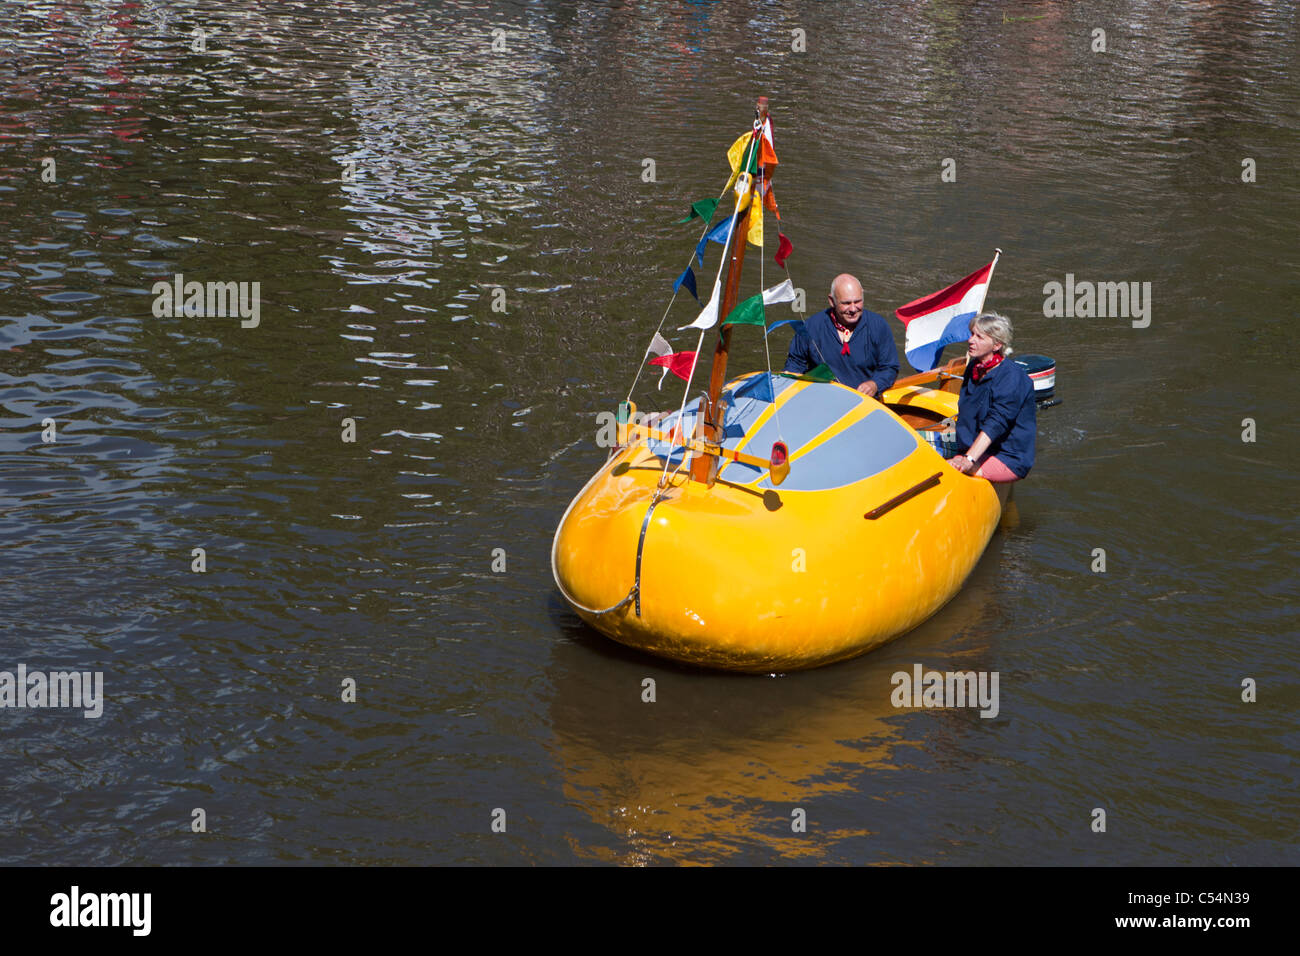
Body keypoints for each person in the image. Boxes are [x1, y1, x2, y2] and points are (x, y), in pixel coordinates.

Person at [949, 312, 1036, 482]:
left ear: (997, 345)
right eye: (972, 334)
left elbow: (995, 424)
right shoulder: (974, 366)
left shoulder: (1012, 378)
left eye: (979, 337)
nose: (971, 340)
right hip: (969, 447)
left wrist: (968, 460)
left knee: (950, 471)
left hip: (1007, 457)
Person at [784, 274, 899, 398]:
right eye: (846, 303)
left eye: (858, 301)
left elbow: (890, 367)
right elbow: (795, 363)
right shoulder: (811, 327)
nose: (853, 309)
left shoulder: (878, 326)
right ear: (832, 301)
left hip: (863, 403)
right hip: (820, 399)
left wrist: (875, 384)